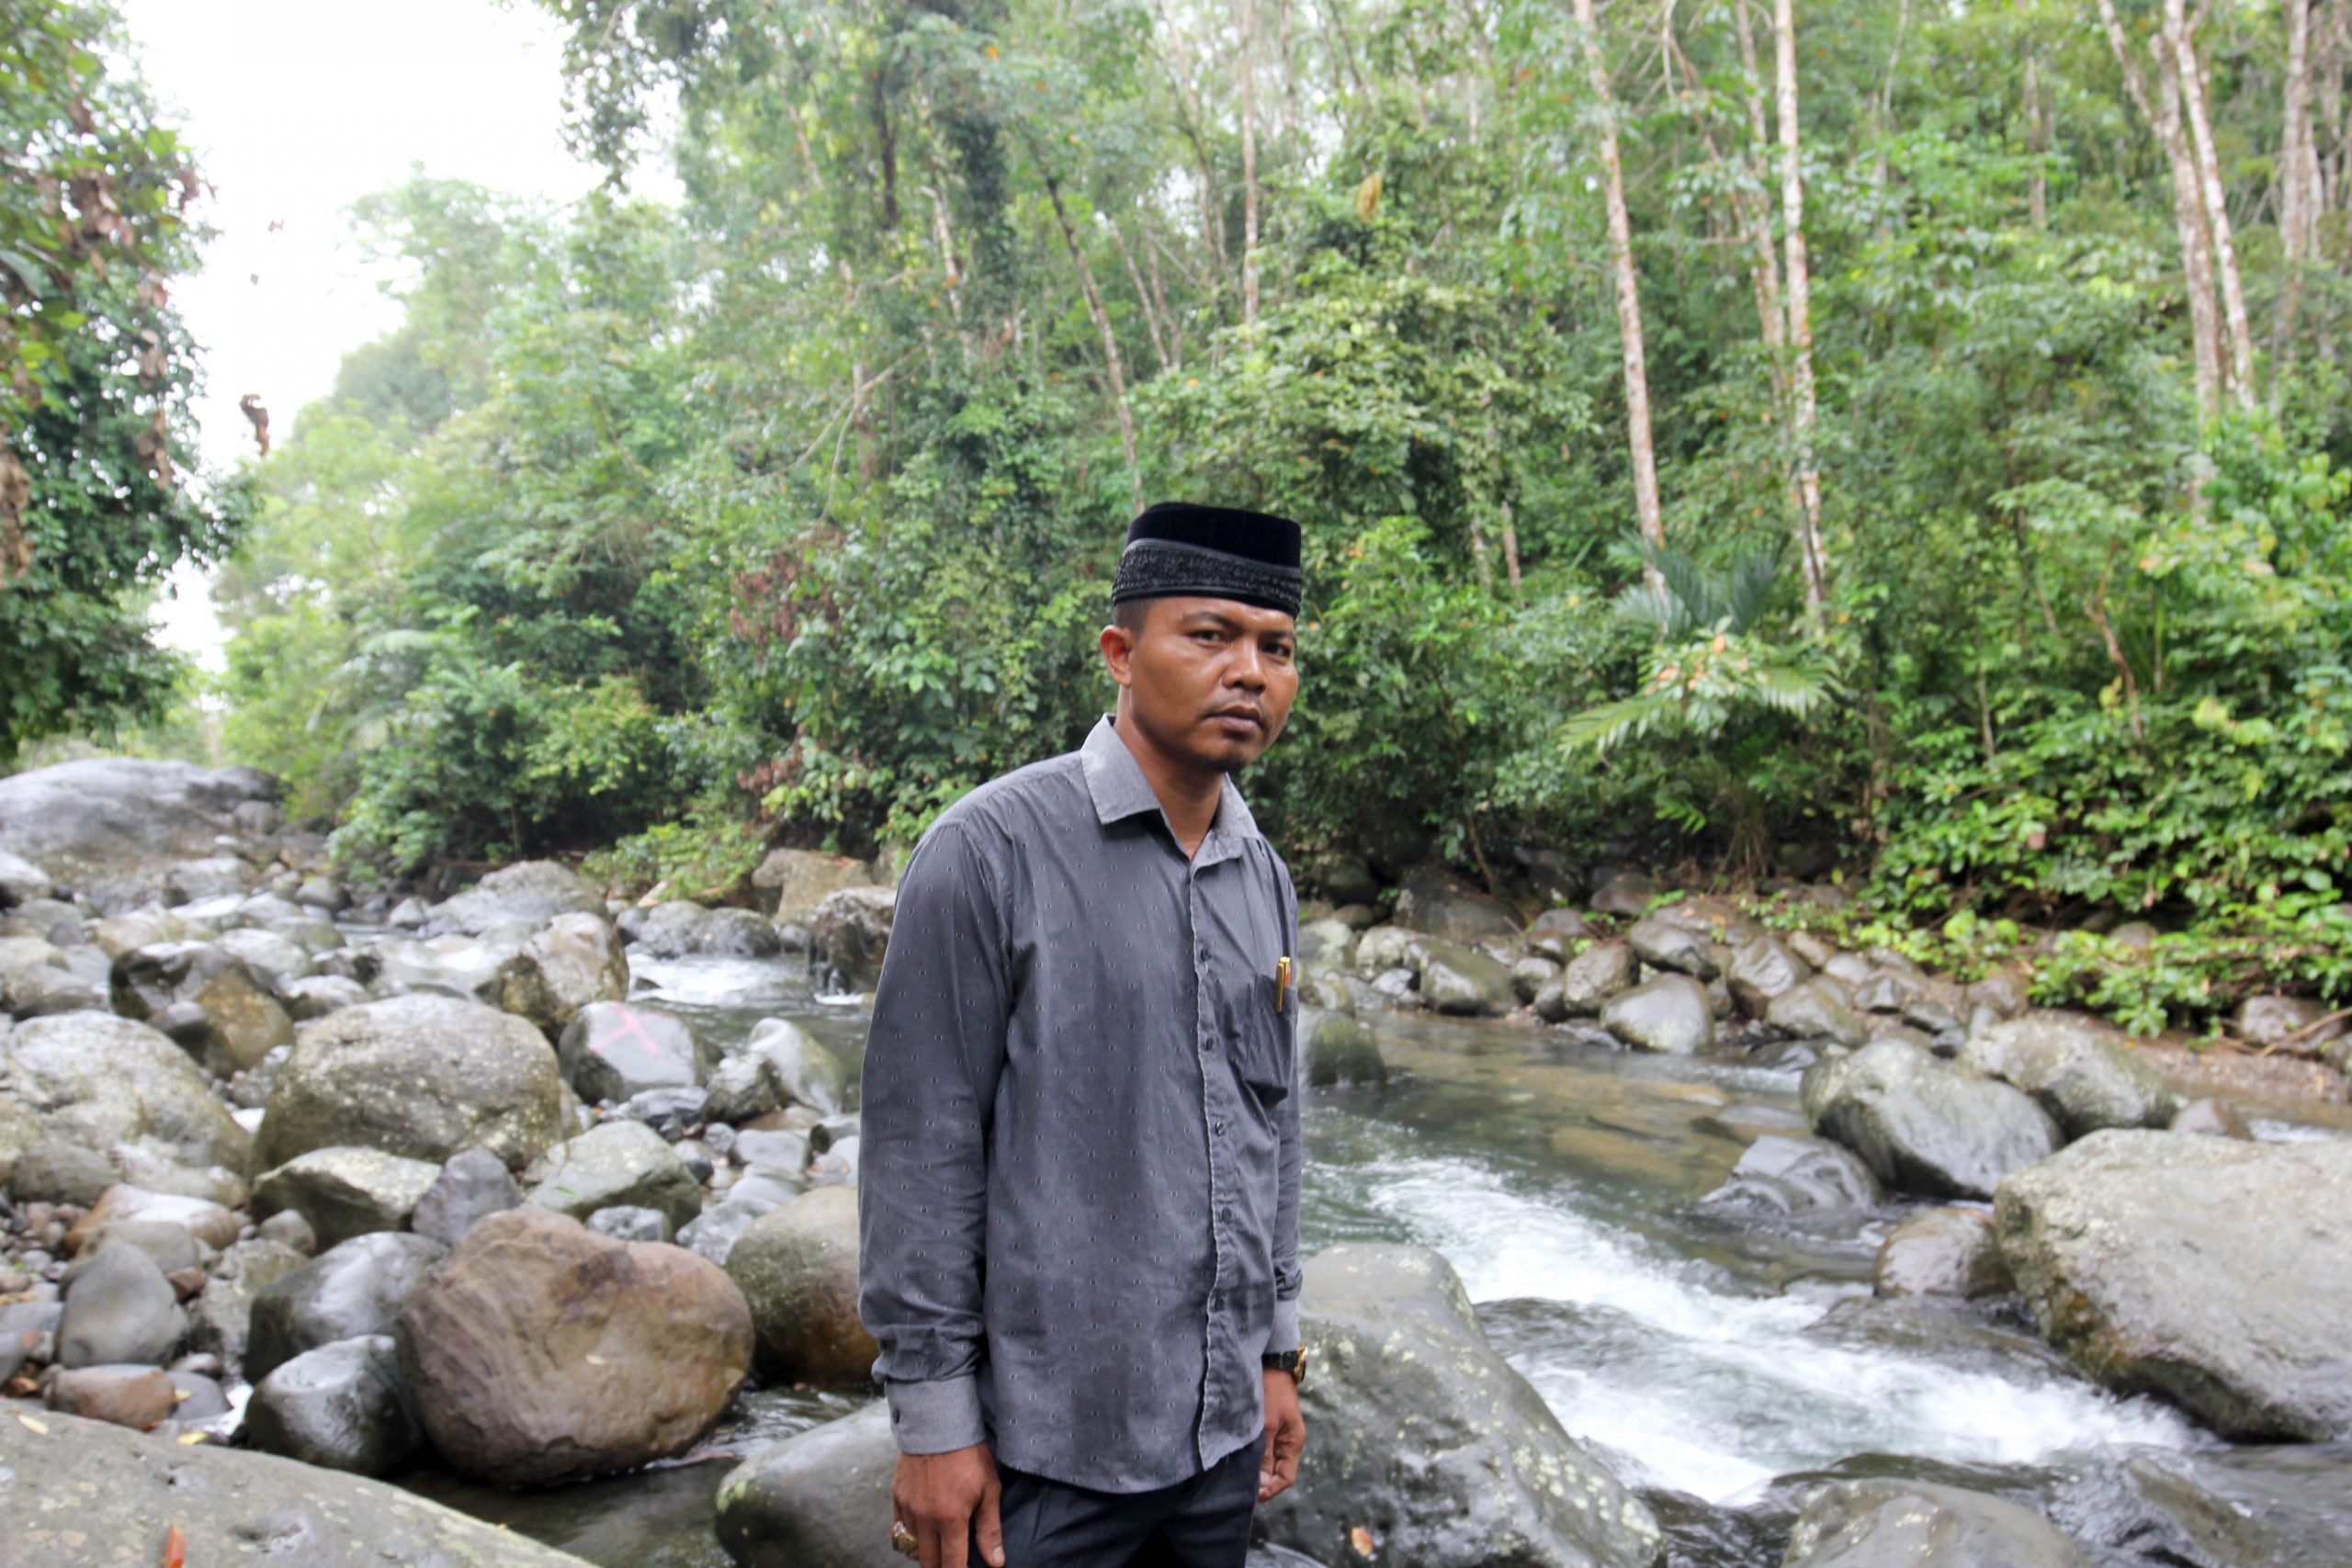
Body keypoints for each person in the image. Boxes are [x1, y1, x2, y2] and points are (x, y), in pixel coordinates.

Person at [858, 502, 1310, 1568]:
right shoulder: (986, 852)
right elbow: (920, 1154)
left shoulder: (1265, 878)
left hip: (1218, 1442)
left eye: (1275, 648)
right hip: (1045, 1456)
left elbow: (1273, 1134)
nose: (1248, 671)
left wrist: (1278, 1349)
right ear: (1120, 651)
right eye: (1209, 636)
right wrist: (935, 1426)